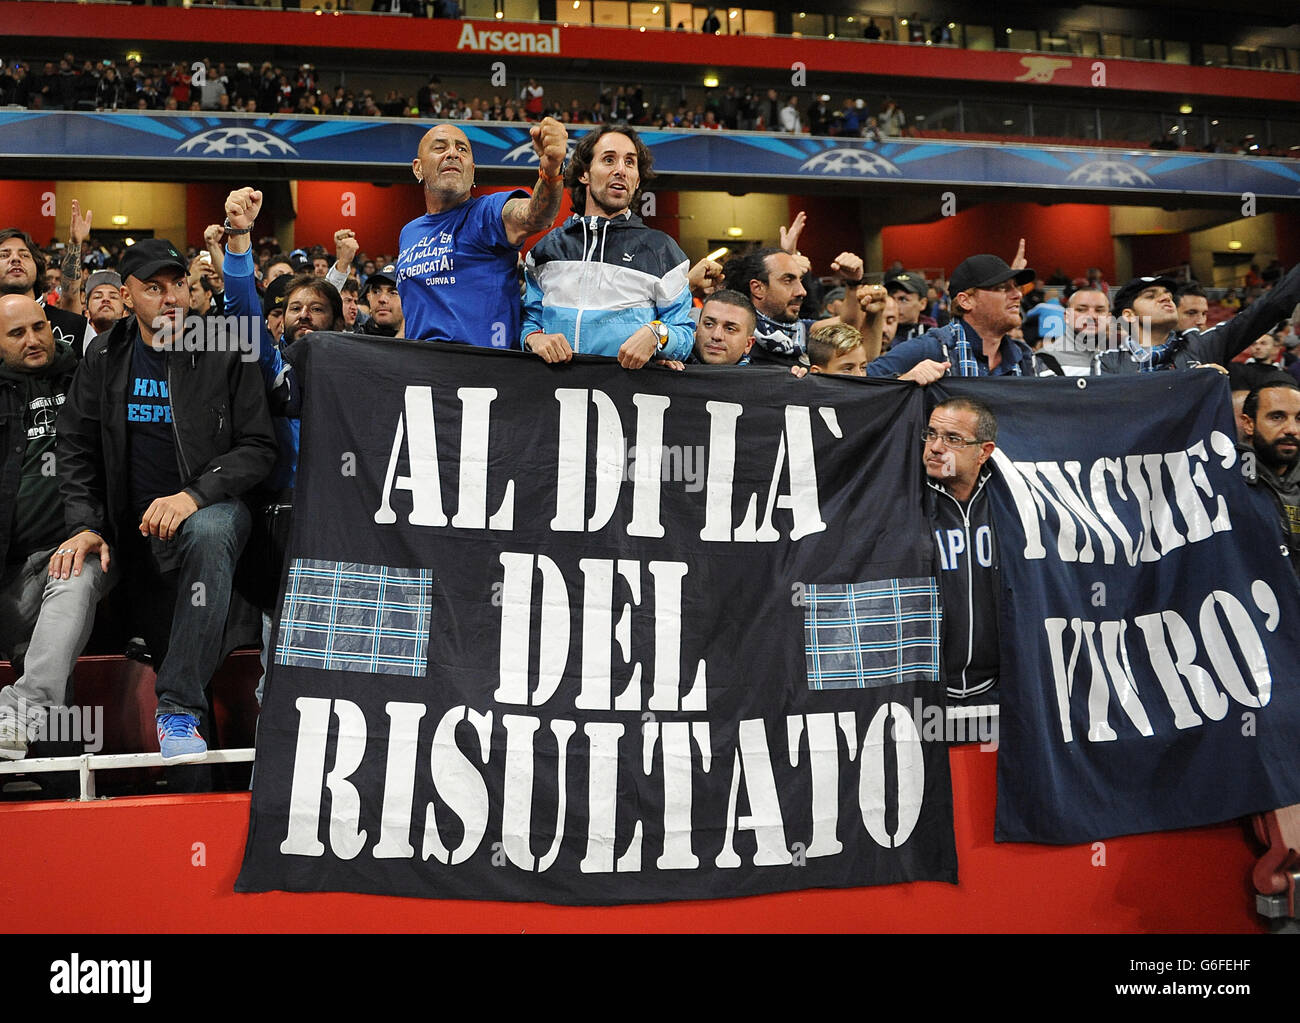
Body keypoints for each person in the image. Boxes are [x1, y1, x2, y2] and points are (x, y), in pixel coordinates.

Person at [54, 238, 276, 762]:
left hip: (212, 512)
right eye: (153, 288)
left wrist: (193, 495)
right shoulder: (105, 354)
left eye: (177, 284)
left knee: (211, 528)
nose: (171, 297)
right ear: (127, 297)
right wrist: (85, 523)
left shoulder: (223, 344)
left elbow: (258, 446)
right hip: (135, 535)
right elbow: (76, 445)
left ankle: (177, 709)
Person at [0, 296, 105, 760]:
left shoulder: (86, 376)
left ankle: (20, 712)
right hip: (10, 564)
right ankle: (58, 774)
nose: (33, 340)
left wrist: (89, 527)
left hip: (78, 544)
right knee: (42, 656)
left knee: (74, 575)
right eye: (16, 334)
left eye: (39, 328)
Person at [521, 126, 695, 368]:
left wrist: (657, 335)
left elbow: (685, 334)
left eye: (630, 163)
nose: (621, 170)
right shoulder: (545, 251)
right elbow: (530, 321)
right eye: (609, 159)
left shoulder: (663, 251)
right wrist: (535, 339)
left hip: (625, 399)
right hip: (556, 397)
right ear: (584, 174)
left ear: (637, 182)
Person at [396, 118, 567, 345]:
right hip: (420, 368)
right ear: (418, 168)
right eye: (440, 148)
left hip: (481, 370)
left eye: (462, 149)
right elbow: (416, 309)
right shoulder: (409, 232)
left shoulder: (487, 213)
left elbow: (537, 216)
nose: (453, 154)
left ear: (472, 170)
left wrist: (551, 171)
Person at [924, 396, 1000, 704]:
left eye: (953, 439)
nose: (936, 447)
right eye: (930, 434)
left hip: (1000, 689)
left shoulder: (1009, 500)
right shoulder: (904, 498)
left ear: (984, 451)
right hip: (924, 693)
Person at [1098, 263, 1300, 373]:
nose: (1165, 298)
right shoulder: (1108, 362)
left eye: (1167, 294)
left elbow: (1270, 307)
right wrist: (1193, 380)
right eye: (1151, 296)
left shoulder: (1204, 345)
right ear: (1129, 315)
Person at [867, 253, 1036, 382]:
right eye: (1002, 288)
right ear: (966, 301)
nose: (1018, 295)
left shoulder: (1024, 356)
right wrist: (904, 381)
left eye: (1016, 287)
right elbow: (864, 382)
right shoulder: (931, 348)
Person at [1239, 379, 1300, 577]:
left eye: (1299, 419)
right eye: (1277, 417)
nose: (1292, 429)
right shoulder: (1225, 480)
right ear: (1249, 424)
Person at [0, 228, 88, 354]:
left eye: (24, 255)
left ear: (37, 267)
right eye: (4, 255)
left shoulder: (77, 326)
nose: (15, 259)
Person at [691, 289, 756, 365]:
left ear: (748, 344)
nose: (716, 336)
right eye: (709, 324)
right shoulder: (675, 367)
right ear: (696, 330)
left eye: (730, 329)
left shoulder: (763, 376)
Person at [883, 270, 935, 344]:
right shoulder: (878, 335)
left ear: (922, 304)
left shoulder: (934, 339)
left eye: (903, 299)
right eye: (891, 298)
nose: (895, 305)